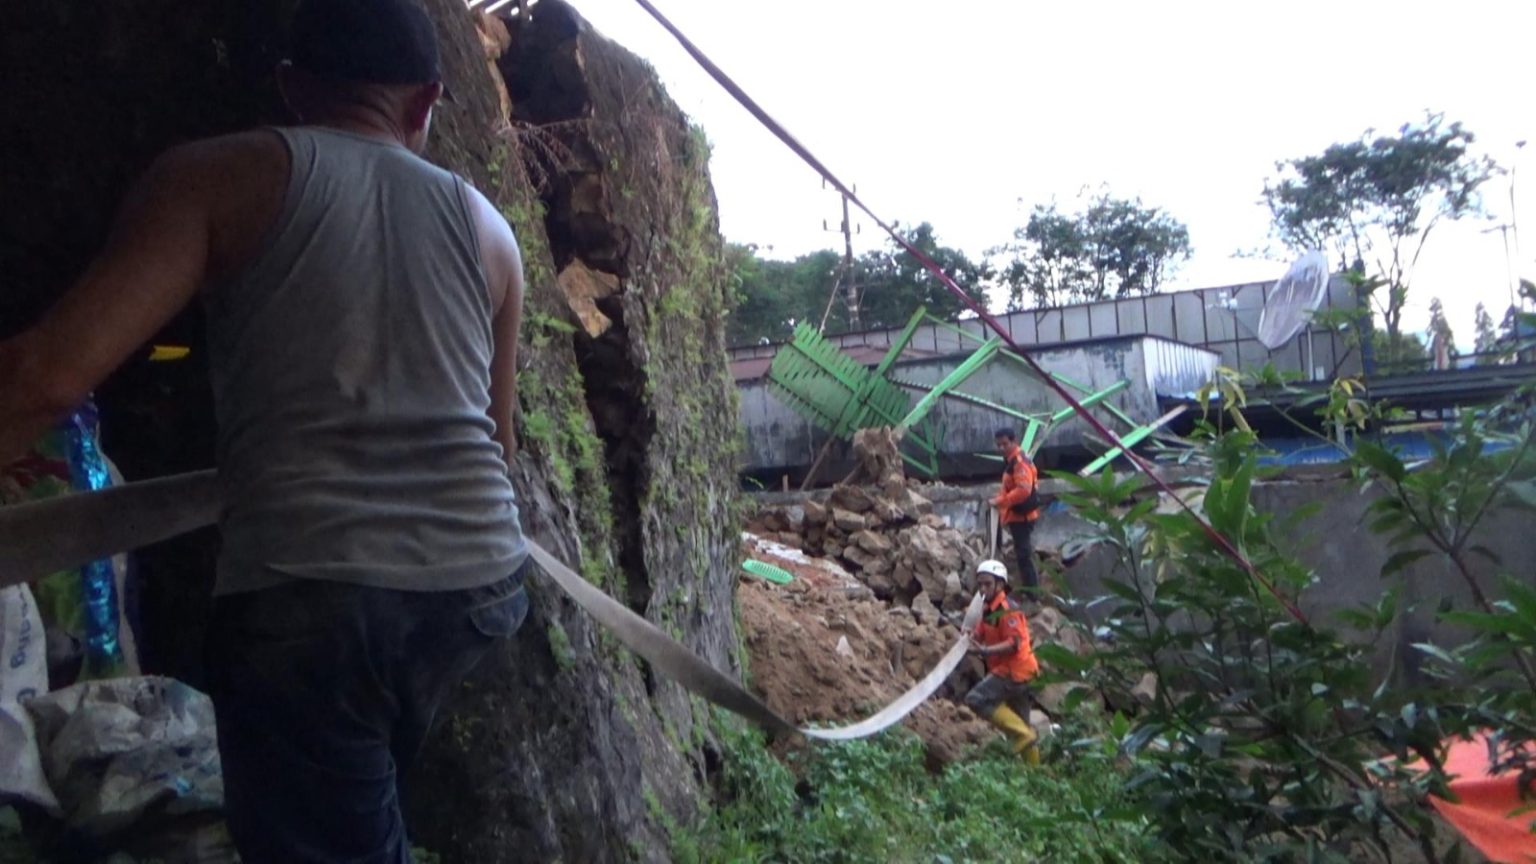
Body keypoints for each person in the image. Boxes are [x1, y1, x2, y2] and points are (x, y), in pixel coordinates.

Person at [0, 1, 530, 860]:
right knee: (355, 798)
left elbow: (49, 375)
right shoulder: (494, 232)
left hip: (314, 595)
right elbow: (496, 446)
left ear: (289, 86)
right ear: (429, 101)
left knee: (333, 819)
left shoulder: (222, 179)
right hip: (476, 592)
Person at [964, 559, 1042, 764]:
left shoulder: (1008, 609)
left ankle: (1026, 736)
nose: (983, 589)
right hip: (1021, 673)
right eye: (980, 584)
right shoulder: (990, 608)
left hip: (1015, 672)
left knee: (976, 699)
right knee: (1022, 726)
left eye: (988, 584)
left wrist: (985, 651)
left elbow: (1014, 643)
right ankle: (1036, 776)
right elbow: (981, 630)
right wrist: (971, 636)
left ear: (1000, 584)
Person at [992, 427, 1041, 594]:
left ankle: (1032, 595)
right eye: (998, 445)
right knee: (1022, 554)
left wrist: (1001, 502)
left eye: (1004, 444)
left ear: (1014, 441)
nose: (1001, 448)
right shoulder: (1012, 460)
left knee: (1024, 556)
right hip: (1017, 515)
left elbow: (1023, 490)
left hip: (1022, 516)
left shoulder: (1019, 462)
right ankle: (1030, 591)